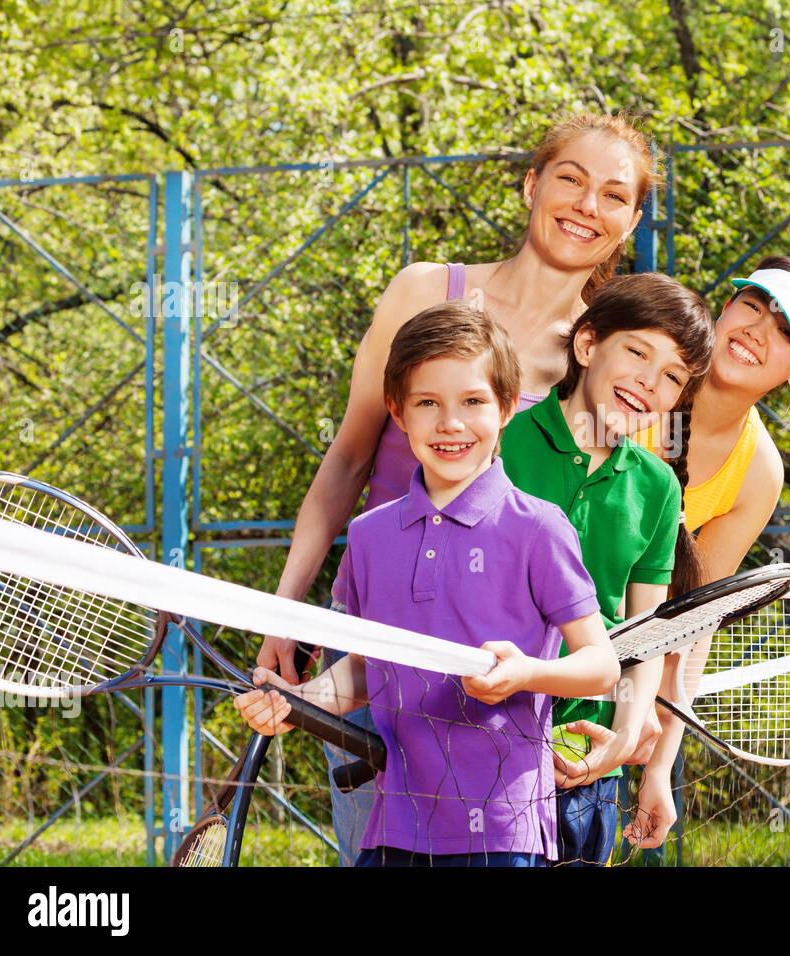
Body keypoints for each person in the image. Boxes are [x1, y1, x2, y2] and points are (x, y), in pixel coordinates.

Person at [253, 112, 660, 864]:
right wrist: (286, 615)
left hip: (503, 713)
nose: (585, 205)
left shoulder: (601, 356)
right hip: (380, 670)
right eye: (569, 178)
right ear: (532, 183)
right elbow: (345, 462)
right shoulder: (422, 291)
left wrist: (630, 714)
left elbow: (630, 537)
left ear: (631, 220)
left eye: (613, 194)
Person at [236, 303, 619, 866]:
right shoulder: (368, 536)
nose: (451, 424)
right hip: (394, 827)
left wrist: (526, 674)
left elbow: (601, 667)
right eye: (427, 404)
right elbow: (371, 667)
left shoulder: (538, 528)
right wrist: (299, 701)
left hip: (502, 833)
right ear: (397, 412)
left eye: (473, 402)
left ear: (507, 408)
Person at [623, 255, 790, 849]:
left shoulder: (758, 473)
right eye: (752, 307)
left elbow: (692, 622)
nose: (755, 331)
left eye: (786, 332)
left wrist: (659, 765)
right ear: (725, 309)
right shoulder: (638, 382)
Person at [498, 271, 714, 865]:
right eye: (637, 352)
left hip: (583, 769)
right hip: (482, 747)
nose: (649, 381)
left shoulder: (658, 486)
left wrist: (623, 735)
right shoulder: (499, 440)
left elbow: (646, 635)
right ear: (588, 345)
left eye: (672, 376)